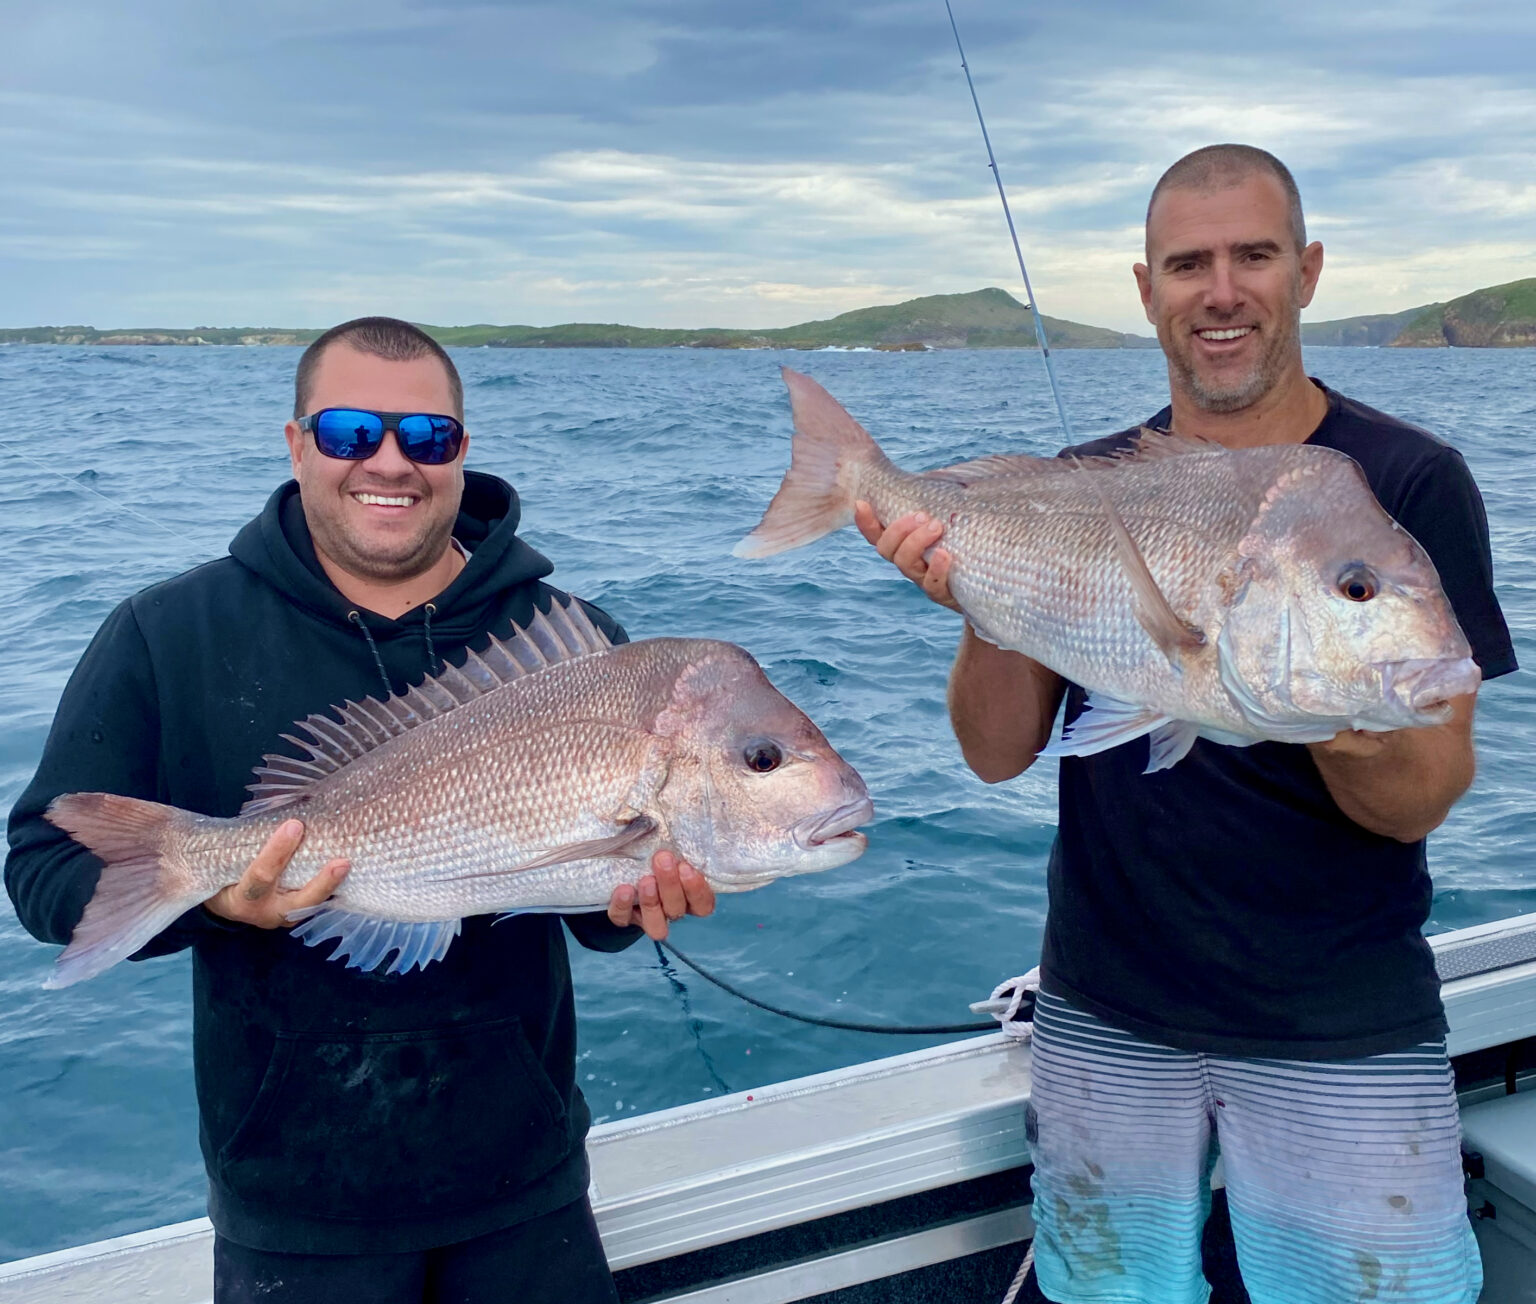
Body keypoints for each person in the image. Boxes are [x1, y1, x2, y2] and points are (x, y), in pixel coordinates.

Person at [857, 145, 1515, 1304]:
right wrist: (988, 597)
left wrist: (1316, 686)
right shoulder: (1081, 477)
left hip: (1340, 1022)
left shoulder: (1409, 481)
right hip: (1107, 1005)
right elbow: (995, 750)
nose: (1221, 291)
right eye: (1187, 263)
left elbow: (1422, 791)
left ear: (1306, 271)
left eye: (1253, 256)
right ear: (1146, 287)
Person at [5, 317, 716, 1303]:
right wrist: (218, 897)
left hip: (527, 1180)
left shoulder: (577, 646)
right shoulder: (167, 632)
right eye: (348, 431)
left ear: (461, 453)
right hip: (294, 1201)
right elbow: (42, 868)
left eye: (427, 437)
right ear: (297, 443)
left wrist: (634, 900)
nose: (390, 461)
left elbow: (590, 909)